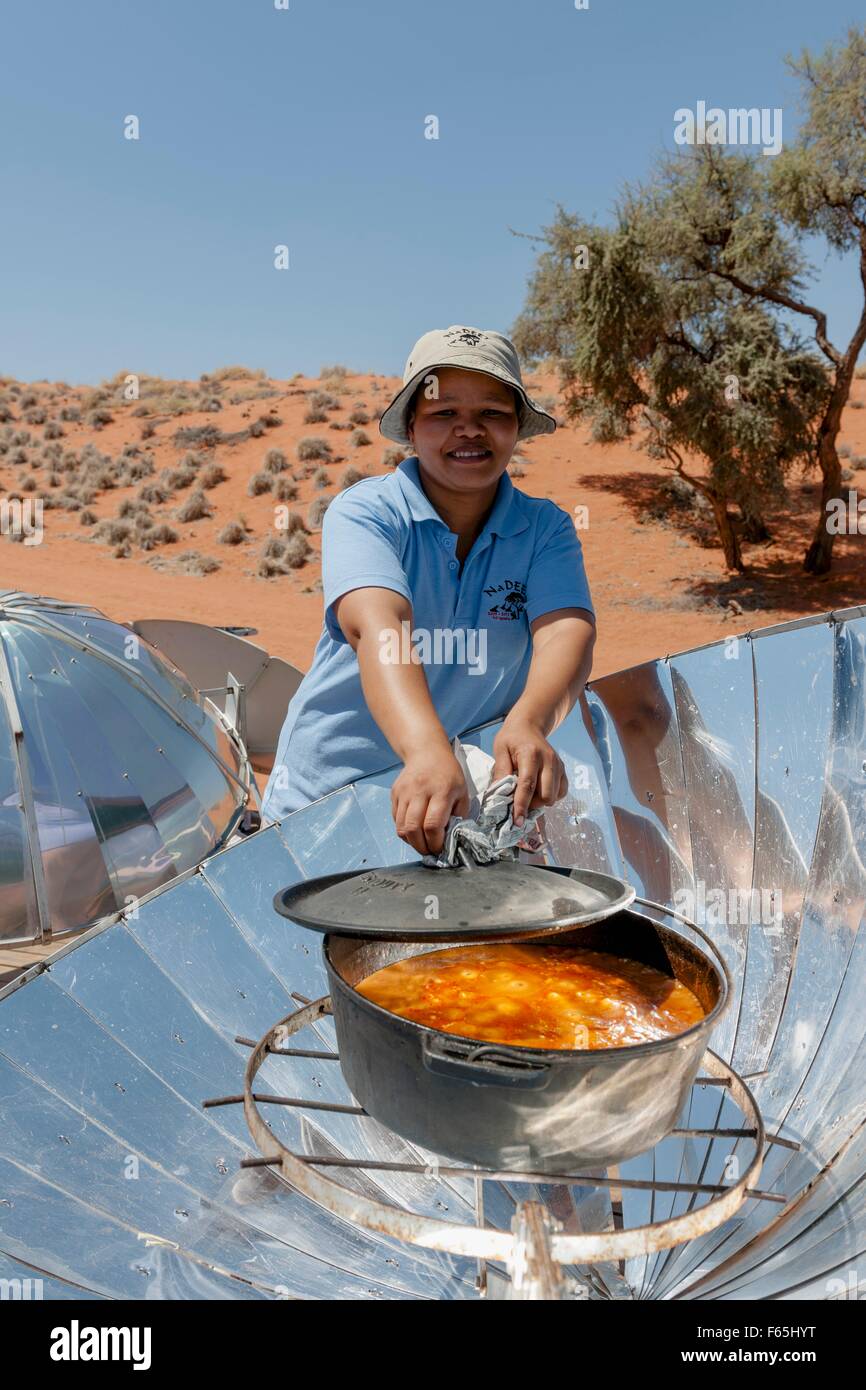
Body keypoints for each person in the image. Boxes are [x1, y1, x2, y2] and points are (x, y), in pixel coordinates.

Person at [262, 324, 596, 856]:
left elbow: (565, 630)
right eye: (444, 414)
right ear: (412, 429)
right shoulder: (367, 513)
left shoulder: (545, 528)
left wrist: (530, 721)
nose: (469, 431)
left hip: (456, 798)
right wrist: (423, 751)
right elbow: (381, 629)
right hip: (329, 803)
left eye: (492, 413)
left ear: (516, 429)